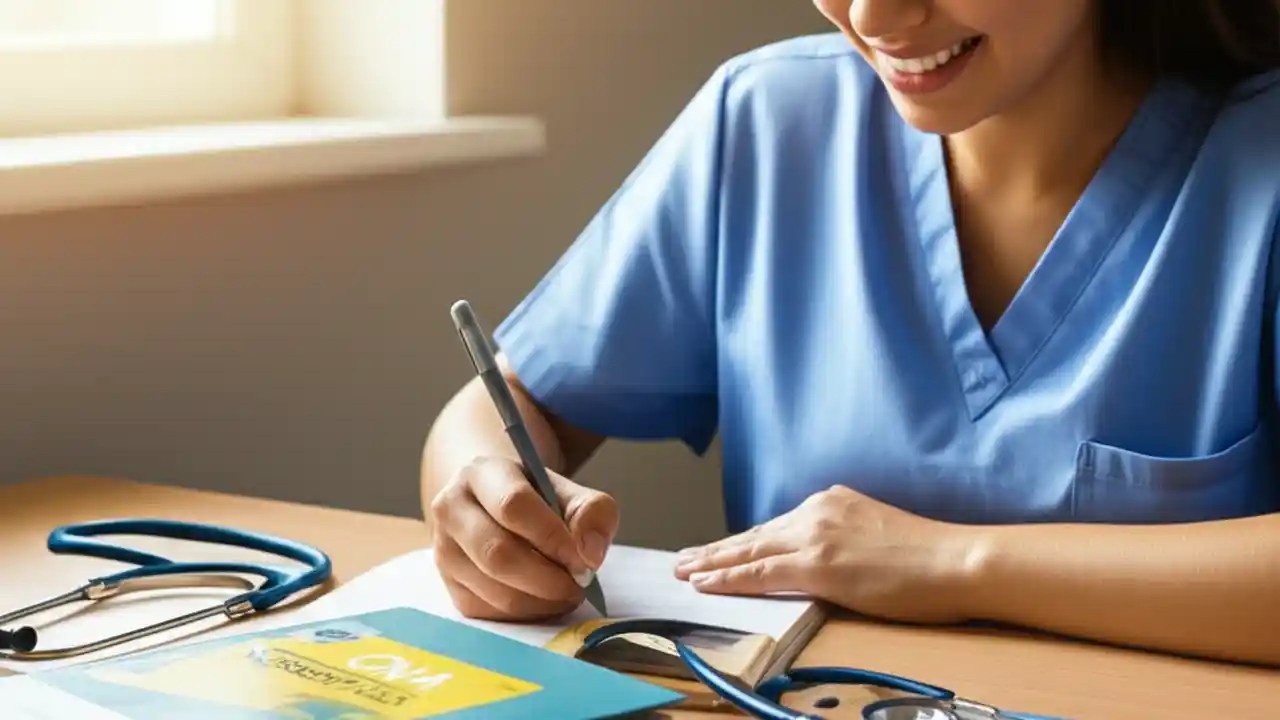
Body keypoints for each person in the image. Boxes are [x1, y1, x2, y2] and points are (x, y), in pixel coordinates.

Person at [421, 0, 1280, 667]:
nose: (871, 17)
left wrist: (950, 562)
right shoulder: (765, 121)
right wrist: (482, 500)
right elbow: (518, 398)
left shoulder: (1258, 162)